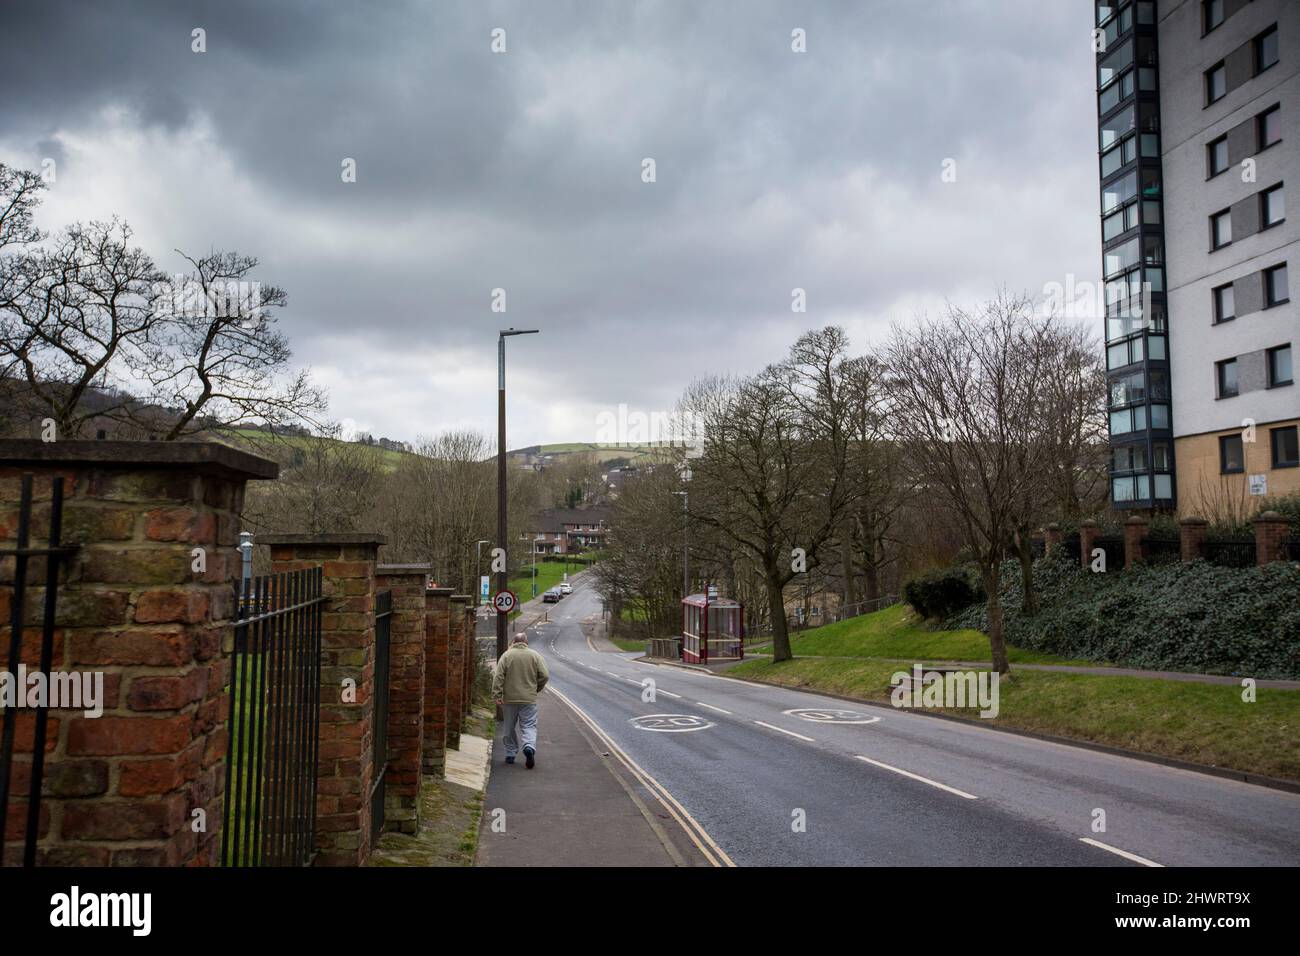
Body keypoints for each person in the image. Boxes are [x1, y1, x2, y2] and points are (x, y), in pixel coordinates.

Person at [491, 632, 549, 769]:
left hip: (509, 699)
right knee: (529, 726)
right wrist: (536, 689)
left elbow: (498, 676)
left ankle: (510, 753)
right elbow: (545, 675)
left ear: (513, 642)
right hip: (528, 699)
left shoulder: (507, 655)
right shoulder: (535, 656)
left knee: (509, 727)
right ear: (526, 642)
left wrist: (496, 695)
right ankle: (528, 746)